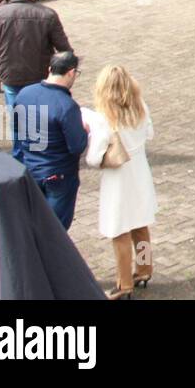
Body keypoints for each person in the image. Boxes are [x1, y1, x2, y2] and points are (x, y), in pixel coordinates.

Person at [84, 65, 157, 301]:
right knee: (141, 226)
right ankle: (144, 270)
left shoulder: (104, 119)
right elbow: (149, 134)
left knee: (120, 231)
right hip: (140, 173)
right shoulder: (141, 107)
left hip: (119, 180)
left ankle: (124, 283)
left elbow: (93, 158)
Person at [0, 0, 72, 154]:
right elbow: (64, 49)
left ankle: (20, 154)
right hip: (40, 76)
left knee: (17, 118)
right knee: (40, 117)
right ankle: (41, 153)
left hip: (11, 77)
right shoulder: (47, 15)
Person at [12, 51, 87, 231]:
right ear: (71, 73)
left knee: (34, 225)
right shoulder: (66, 106)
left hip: (30, 170)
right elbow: (77, 146)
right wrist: (84, 130)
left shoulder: (25, 94)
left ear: (49, 69)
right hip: (59, 175)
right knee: (55, 232)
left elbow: (17, 131)